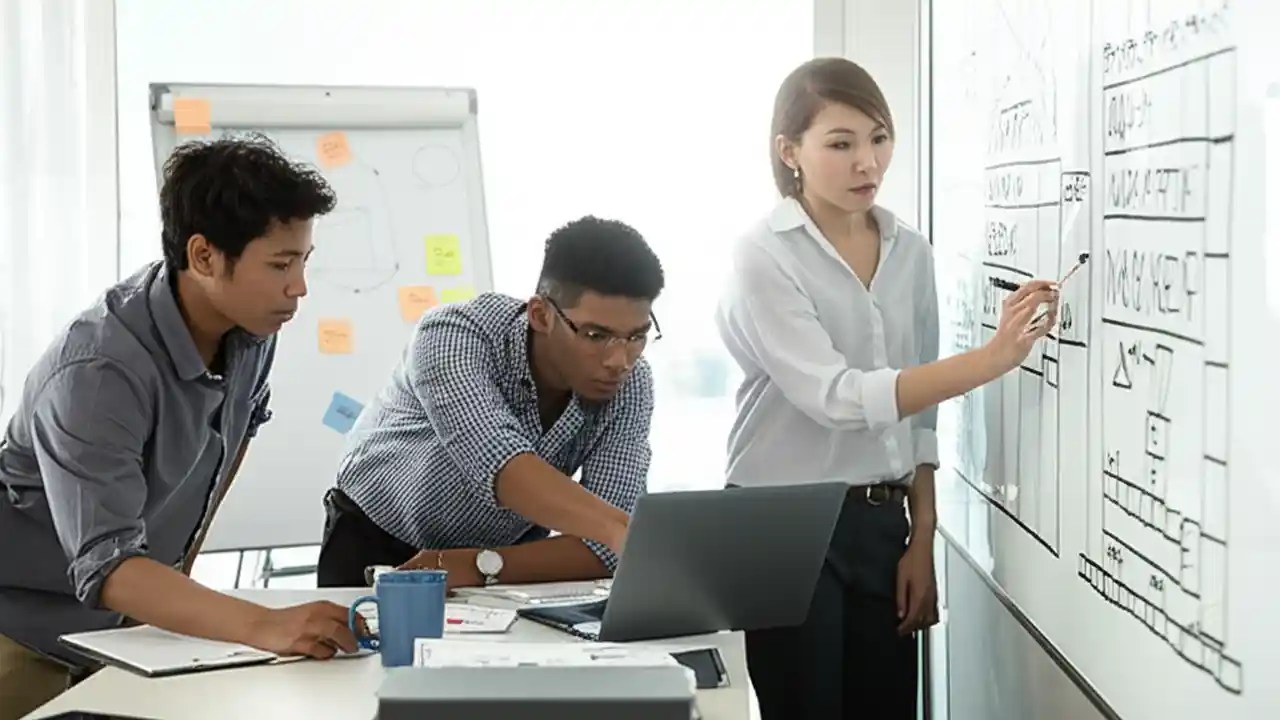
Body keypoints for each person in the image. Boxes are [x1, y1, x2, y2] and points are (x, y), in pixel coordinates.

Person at [715, 58, 1059, 719]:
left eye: (878, 138)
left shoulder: (910, 250)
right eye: (840, 144)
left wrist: (921, 534)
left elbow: (917, 413)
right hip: (782, 523)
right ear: (790, 152)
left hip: (881, 519)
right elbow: (839, 398)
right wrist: (992, 358)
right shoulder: (763, 252)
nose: (866, 162)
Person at [0, 135, 361, 720]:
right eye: (280, 264)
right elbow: (108, 564)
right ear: (203, 256)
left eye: (303, 262)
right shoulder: (98, 371)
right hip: (24, 636)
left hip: (129, 634)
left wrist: (178, 581)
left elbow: (234, 440)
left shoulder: (250, 332)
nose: (299, 288)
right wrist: (263, 625)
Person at [316, 216, 665, 590]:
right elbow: (501, 464)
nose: (620, 360)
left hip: (502, 560)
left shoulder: (632, 382)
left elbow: (608, 552)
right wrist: (621, 531)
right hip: (374, 539)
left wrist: (481, 564)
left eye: (637, 336)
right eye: (596, 335)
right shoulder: (452, 335)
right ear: (540, 314)